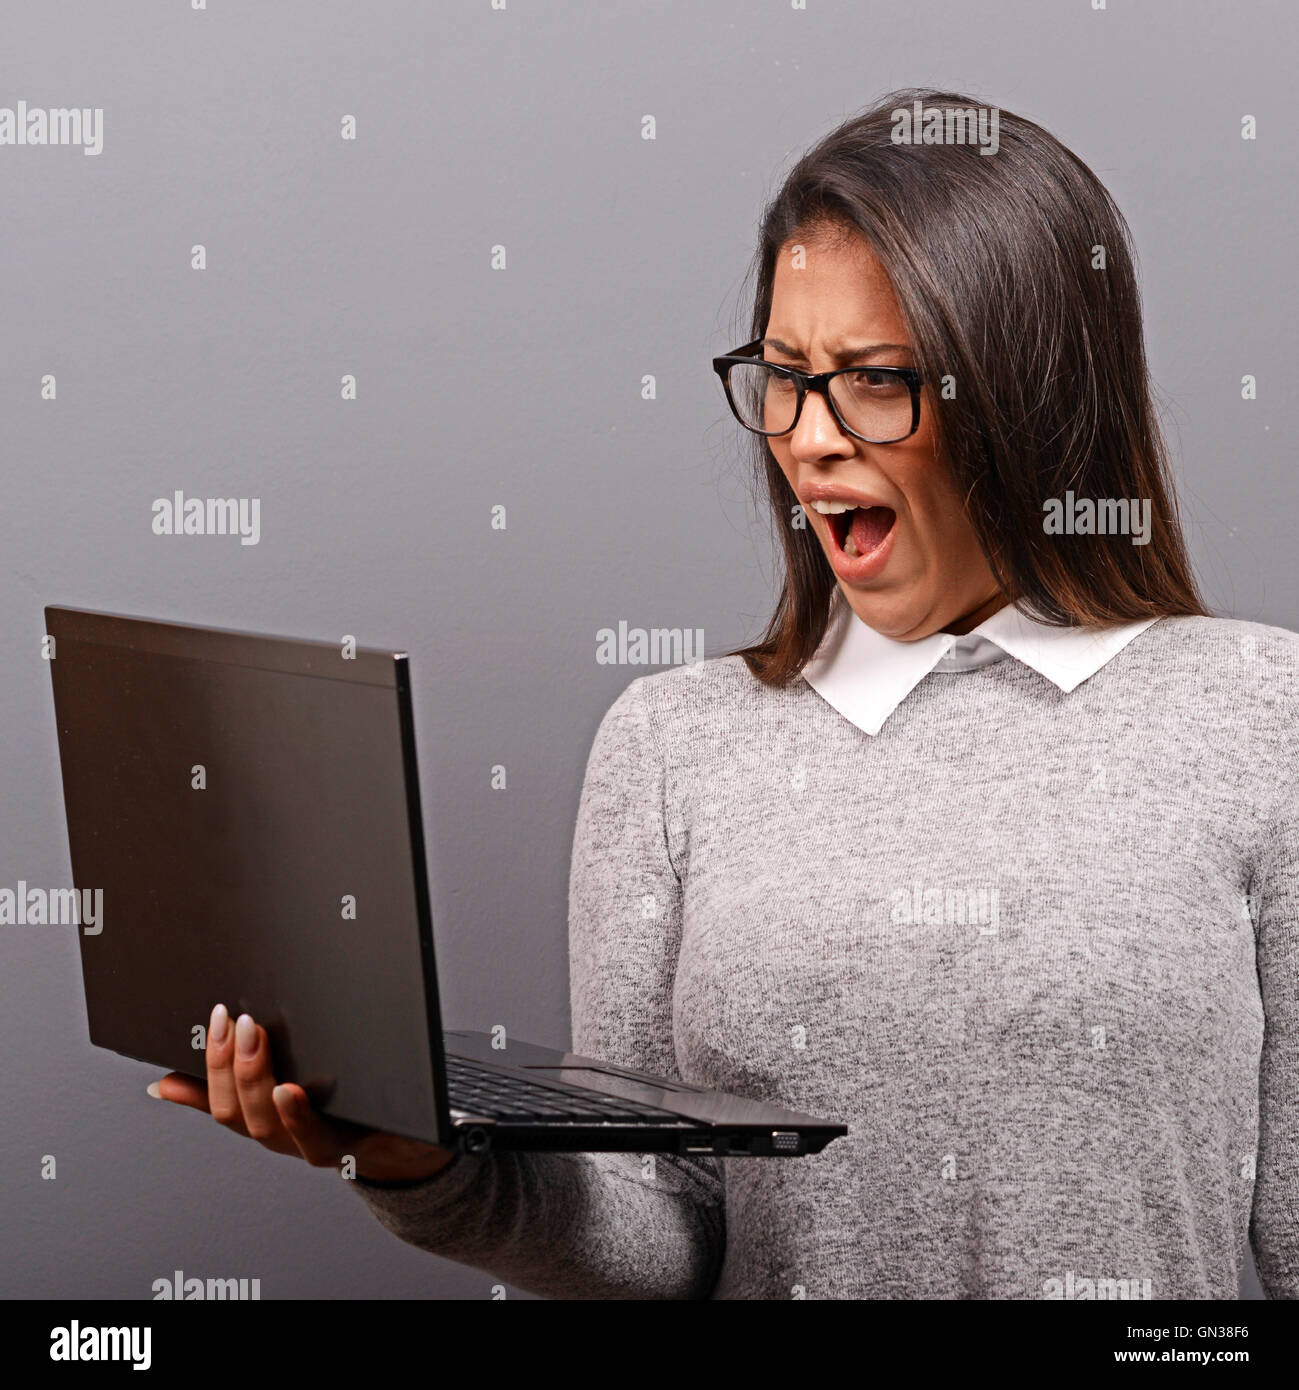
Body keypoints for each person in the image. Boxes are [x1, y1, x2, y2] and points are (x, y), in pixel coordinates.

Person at [150, 88, 1298, 1300]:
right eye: (786, 376)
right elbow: (663, 1229)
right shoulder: (672, 745)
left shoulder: (1259, 715)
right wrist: (411, 1162)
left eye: (872, 378)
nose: (807, 438)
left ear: (1030, 398)